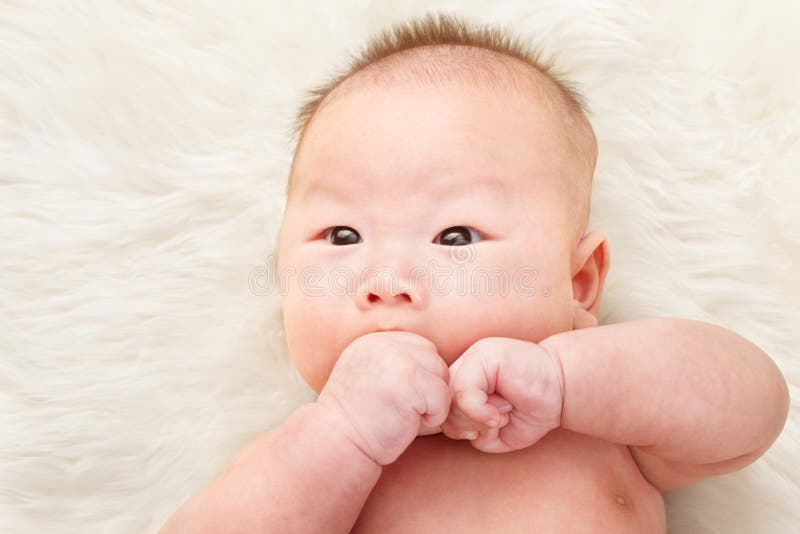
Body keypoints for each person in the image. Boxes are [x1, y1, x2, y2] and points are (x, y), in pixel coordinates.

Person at [160, 13, 790, 533]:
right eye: (342, 235)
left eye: (455, 236)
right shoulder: (302, 460)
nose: (387, 280)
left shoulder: (600, 417)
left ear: (577, 285)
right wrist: (342, 431)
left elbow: (755, 409)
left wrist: (568, 382)